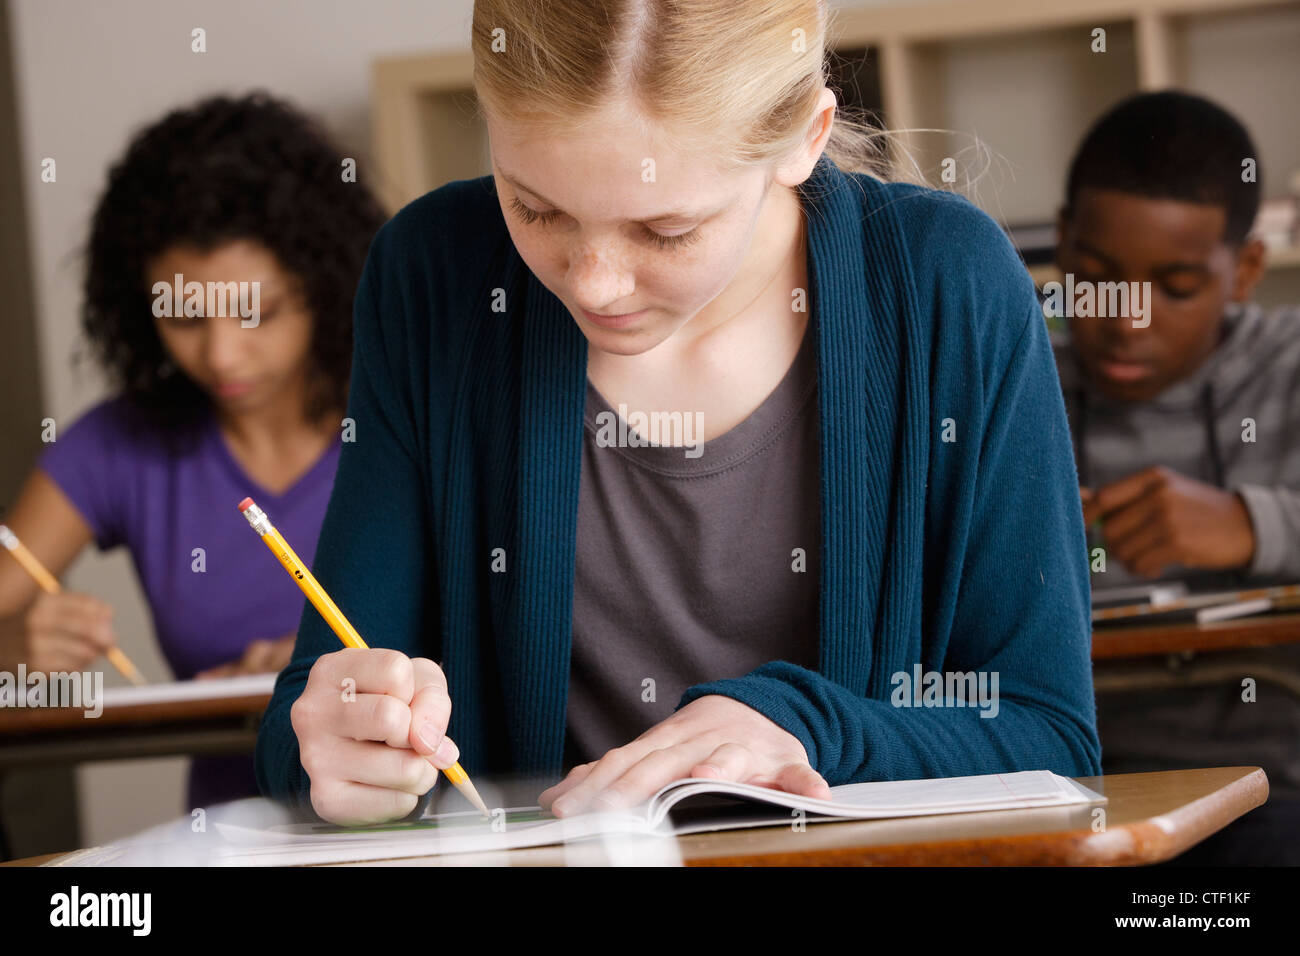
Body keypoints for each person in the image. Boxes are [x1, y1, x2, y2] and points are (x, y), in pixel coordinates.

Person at [257, 0, 1101, 826]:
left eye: (665, 231)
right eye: (535, 206)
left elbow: (1050, 738)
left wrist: (803, 728)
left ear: (806, 136)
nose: (593, 283)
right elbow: (312, 710)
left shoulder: (950, 287)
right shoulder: (433, 274)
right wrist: (334, 749)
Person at [0, 92, 387, 809]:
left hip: (419, 826)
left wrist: (319, 669)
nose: (220, 354)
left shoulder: (402, 417)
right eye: (182, 316)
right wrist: (9, 657)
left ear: (327, 286)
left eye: (259, 313)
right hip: (225, 839)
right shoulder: (118, 446)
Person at [1052, 90, 1300, 864]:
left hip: (1272, 782)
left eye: (1178, 287)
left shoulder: (1290, 368)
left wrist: (1253, 524)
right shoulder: (1007, 386)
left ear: (1245, 269)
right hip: (1064, 786)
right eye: (1095, 276)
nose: (1128, 319)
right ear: (1062, 246)